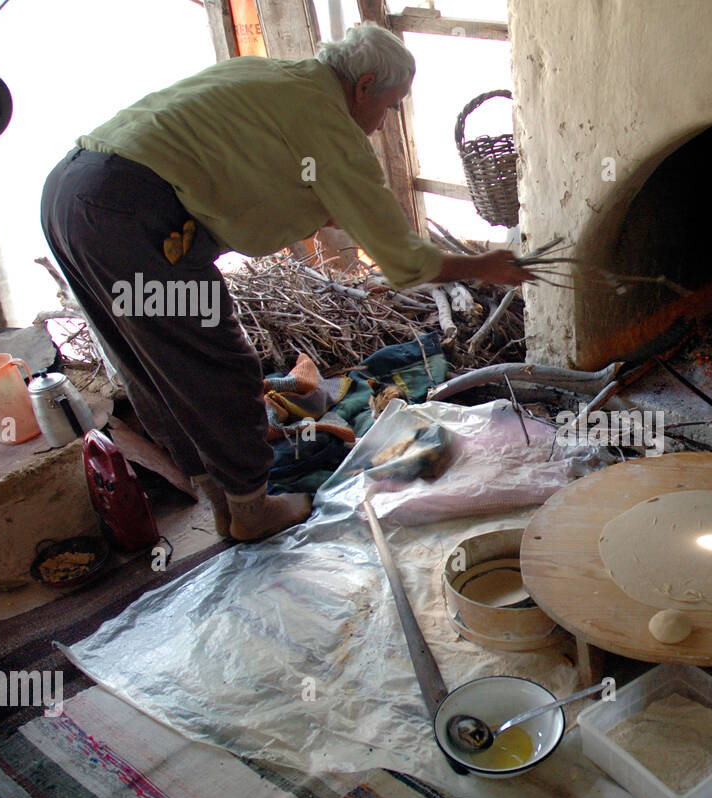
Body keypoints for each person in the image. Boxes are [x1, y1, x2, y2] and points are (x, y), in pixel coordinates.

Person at [40, 23, 531, 541]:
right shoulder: (332, 128)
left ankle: (222, 497)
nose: (385, 119)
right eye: (390, 105)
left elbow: (246, 168)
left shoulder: (271, 77)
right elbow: (404, 263)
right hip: (133, 222)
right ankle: (253, 509)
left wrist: (323, 208)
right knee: (216, 358)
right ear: (363, 86)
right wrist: (484, 265)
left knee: (153, 361)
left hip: (73, 199)